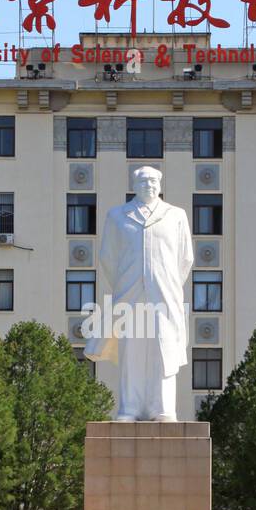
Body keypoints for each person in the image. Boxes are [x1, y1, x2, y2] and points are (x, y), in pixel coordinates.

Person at [85, 166, 193, 421]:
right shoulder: (117, 216)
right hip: (129, 294)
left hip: (164, 296)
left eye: (154, 181)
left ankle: (163, 408)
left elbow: (185, 258)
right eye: (144, 181)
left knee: (164, 350)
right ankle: (129, 408)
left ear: (160, 184)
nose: (150, 185)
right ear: (134, 185)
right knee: (131, 351)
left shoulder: (176, 215)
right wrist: (126, 281)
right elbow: (108, 257)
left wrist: (165, 281)